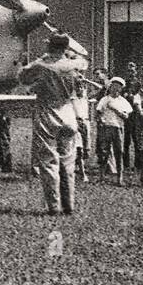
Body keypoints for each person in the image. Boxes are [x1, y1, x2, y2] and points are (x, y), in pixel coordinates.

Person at [18, 32, 87, 214]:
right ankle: (69, 205)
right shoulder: (75, 65)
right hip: (68, 112)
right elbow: (83, 63)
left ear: (50, 46)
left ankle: (54, 206)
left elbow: (23, 77)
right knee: (68, 162)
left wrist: (41, 58)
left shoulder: (42, 64)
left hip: (48, 112)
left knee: (49, 162)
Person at [95, 77, 131, 186]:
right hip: (106, 127)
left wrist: (115, 109)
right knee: (104, 152)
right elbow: (98, 113)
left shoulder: (123, 101)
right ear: (110, 87)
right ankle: (101, 177)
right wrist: (101, 120)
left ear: (121, 89)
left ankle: (119, 178)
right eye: (114, 86)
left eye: (118, 87)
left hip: (118, 128)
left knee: (119, 152)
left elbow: (126, 116)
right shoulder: (105, 99)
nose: (116, 89)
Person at [72, 74, 92, 183]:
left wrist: (87, 81)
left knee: (86, 150)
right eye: (78, 87)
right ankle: (83, 173)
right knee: (79, 148)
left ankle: (78, 167)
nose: (80, 89)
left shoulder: (86, 99)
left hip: (86, 122)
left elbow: (104, 89)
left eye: (82, 87)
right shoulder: (72, 99)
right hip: (76, 122)